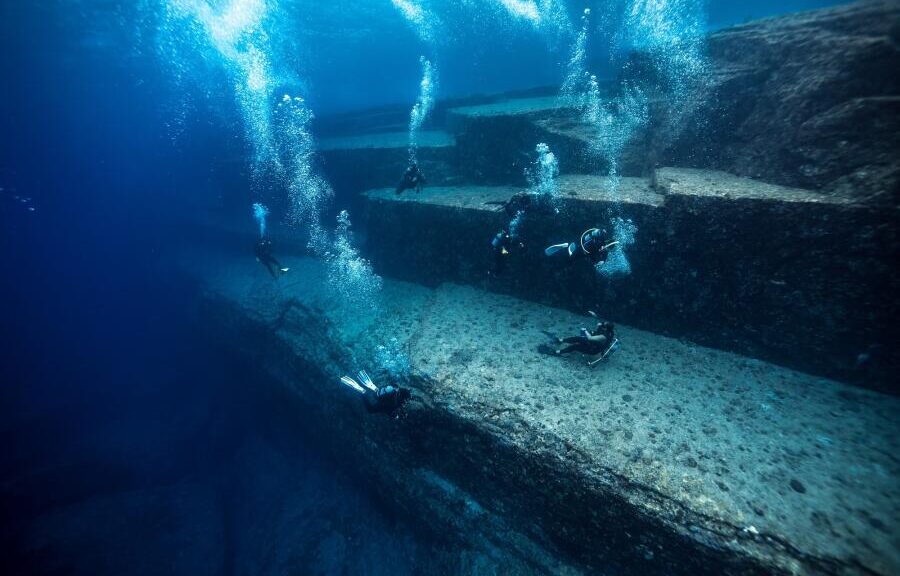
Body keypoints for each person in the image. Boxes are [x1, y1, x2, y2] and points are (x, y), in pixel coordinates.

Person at [546, 313, 619, 365]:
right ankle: (560, 340)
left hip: (593, 349)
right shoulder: (610, 331)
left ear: (605, 328)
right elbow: (601, 324)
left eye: (603, 325)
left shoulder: (604, 336)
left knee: (575, 346)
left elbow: (590, 338)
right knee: (578, 338)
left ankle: (557, 352)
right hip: (594, 344)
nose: (602, 324)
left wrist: (585, 330)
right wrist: (595, 316)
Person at [339, 370, 411, 415]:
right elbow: (389, 411)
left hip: (385, 391)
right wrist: (395, 416)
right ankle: (363, 392)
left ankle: (376, 389)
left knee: (382, 392)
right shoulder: (395, 404)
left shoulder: (401, 391)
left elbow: (396, 386)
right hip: (382, 400)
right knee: (371, 410)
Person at [545, 228, 618, 266]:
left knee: (571, 259)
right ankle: (565, 248)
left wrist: (602, 261)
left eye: (608, 249)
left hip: (583, 250)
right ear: (607, 243)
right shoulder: (600, 242)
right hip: (582, 248)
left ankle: (566, 247)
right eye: (607, 247)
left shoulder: (604, 248)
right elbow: (592, 251)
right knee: (570, 258)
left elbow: (603, 255)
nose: (605, 249)